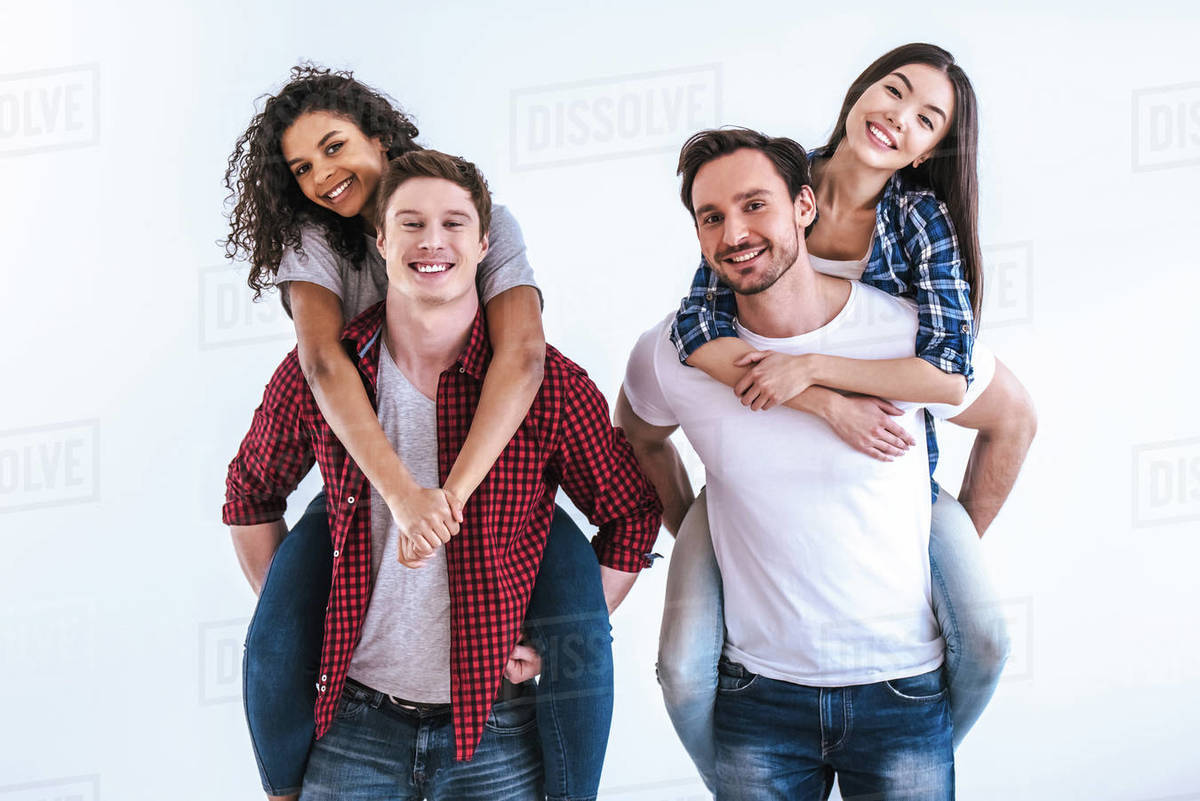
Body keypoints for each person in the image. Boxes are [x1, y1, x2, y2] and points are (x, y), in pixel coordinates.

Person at [221, 66, 624, 801]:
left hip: (496, 482)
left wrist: (451, 500)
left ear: (380, 138)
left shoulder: (483, 221)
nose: (322, 174)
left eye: (334, 146)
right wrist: (404, 502)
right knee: (281, 625)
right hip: (363, 479)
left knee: (580, 626)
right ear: (382, 241)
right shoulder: (315, 241)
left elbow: (522, 354)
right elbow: (321, 363)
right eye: (301, 167)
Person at [655, 44, 1037, 789]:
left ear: (929, 150)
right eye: (893, 91)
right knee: (681, 665)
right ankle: (736, 774)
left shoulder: (918, 217)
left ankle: (910, 746)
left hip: (878, 472)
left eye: (926, 119)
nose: (898, 117)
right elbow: (698, 327)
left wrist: (817, 369)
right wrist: (817, 399)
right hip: (753, 473)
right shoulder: (773, 178)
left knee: (986, 637)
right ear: (862, 90)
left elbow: (948, 371)